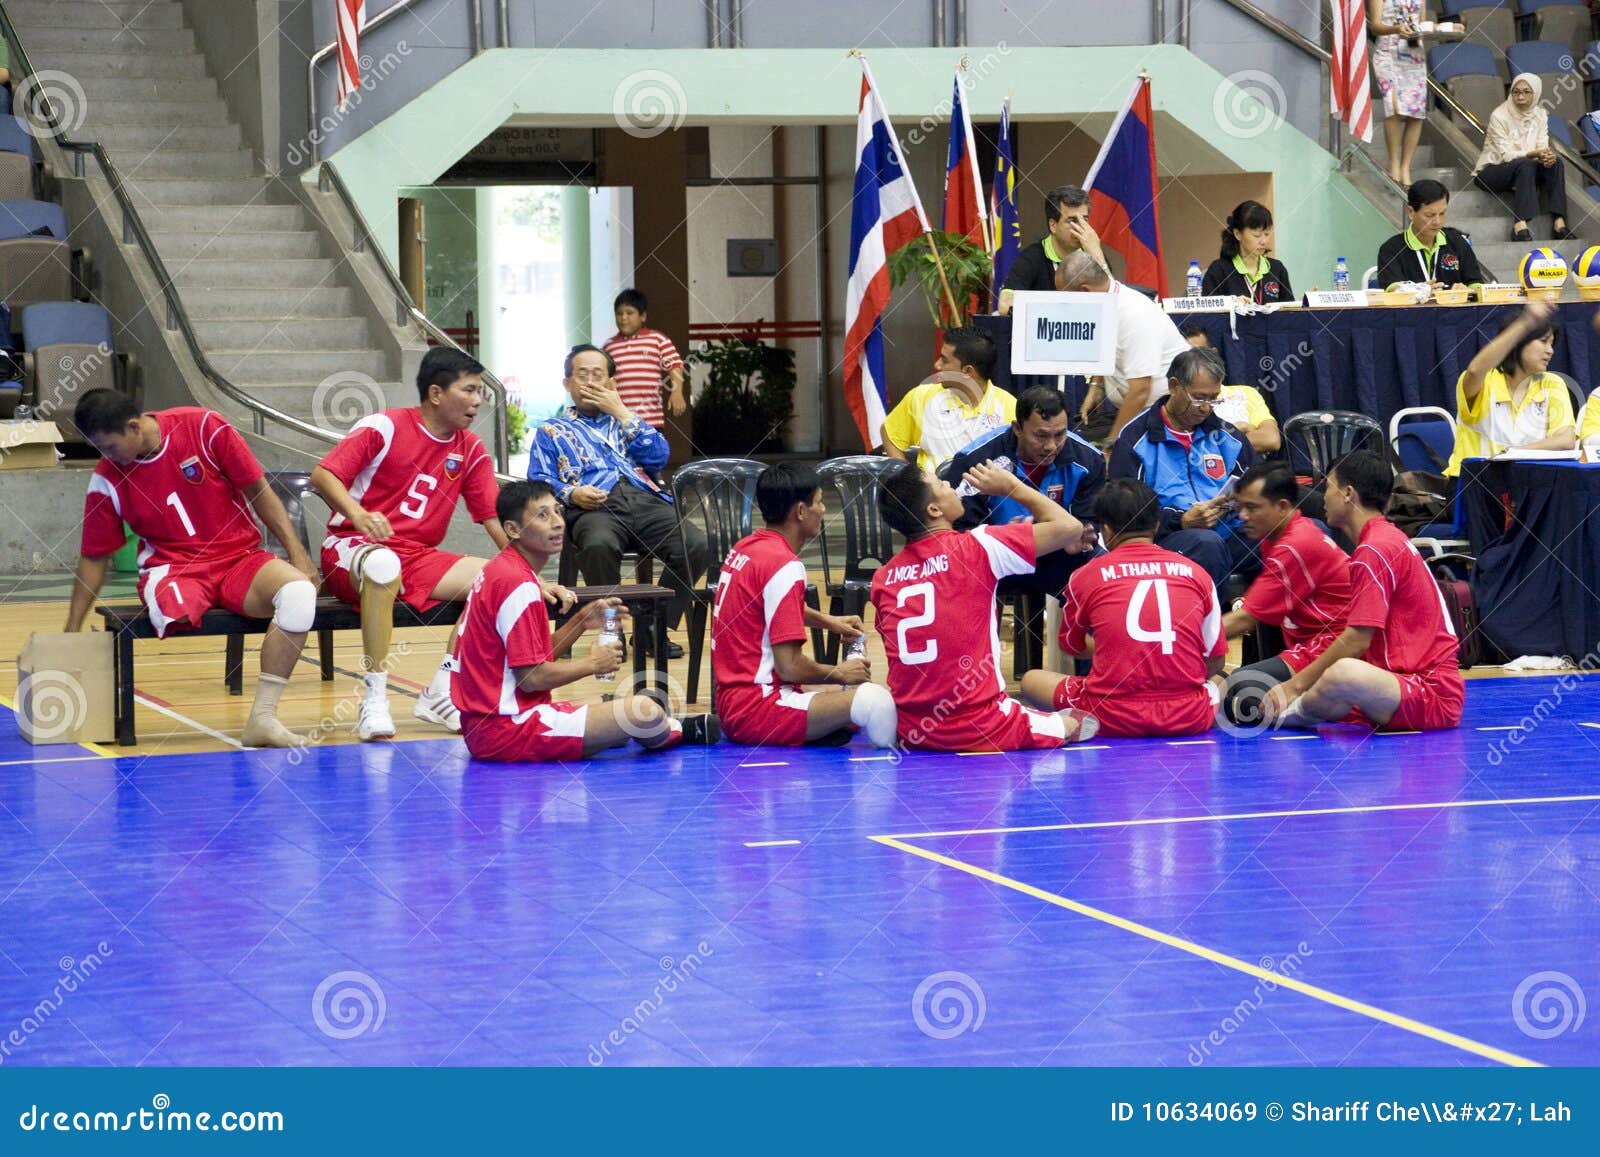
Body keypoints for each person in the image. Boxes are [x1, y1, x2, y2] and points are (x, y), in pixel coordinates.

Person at [65, 389, 318, 748]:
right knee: (175, 615)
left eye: (109, 447)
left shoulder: (204, 427)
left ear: (134, 427)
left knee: (298, 594)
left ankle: (263, 718)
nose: (106, 456)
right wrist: (72, 628)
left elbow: (258, 491)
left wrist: (299, 555)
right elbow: (94, 556)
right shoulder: (106, 479)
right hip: (172, 569)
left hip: (239, 558)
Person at [313, 348, 543, 741]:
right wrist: (359, 515)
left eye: (480, 392)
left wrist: (529, 577)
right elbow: (322, 475)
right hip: (351, 546)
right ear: (436, 393)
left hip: (417, 557)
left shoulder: (470, 449)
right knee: (382, 564)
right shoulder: (383, 426)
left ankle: (442, 690)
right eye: (469, 390)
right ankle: (375, 699)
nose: (476, 401)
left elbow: (493, 520)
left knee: (496, 580)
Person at [452, 480, 718, 762]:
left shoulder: (505, 570)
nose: (557, 523)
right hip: (509, 730)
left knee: (607, 706)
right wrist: (592, 665)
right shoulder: (518, 584)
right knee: (643, 709)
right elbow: (532, 678)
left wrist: (580, 621)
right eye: (542, 515)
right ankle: (677, 730)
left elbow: (533, 658)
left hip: (488, 727)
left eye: (557, 511)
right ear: (513, 529)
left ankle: (619, 732)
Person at [870, 460, 1099, 752]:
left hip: (913, 730)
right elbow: (1070, 527)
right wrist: (1011, 486)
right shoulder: (978, 546)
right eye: (942, 485)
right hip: (980, 726)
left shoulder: (883, 577)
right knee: (1081, 723)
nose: (951, 487)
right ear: (934, 510)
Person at [527, 345, 710, 658]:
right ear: (567, 384)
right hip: (594, 506)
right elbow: (539, 482)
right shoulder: (551, 430)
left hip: (643, 499)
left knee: (696, 544)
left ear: (611, 383)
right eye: (581, 375)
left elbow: (659, 456)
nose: (590, 382)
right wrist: (572, 494)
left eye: (598, 375)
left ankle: (652, 628)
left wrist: (623, 412)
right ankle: (611, 628)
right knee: (598, 545)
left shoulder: (627, 422)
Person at [1262, 452, 1464, 732]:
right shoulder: (1386, 537)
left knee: (1344, 673)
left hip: (1429, 692)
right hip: (1406, 683)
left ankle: (1287, 711)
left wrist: (1293, 686)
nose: (1323, 497)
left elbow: (1357, 639)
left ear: (1347, 493)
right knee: (1338, 675)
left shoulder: (1375, 548)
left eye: (1328, 487)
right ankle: (1293, 710)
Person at [710, 463, 898, 748]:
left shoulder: (745, 548)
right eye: (819, 502)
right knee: (876, 701)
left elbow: (767, 607)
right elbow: (790, 668)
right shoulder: (784, 564)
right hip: (757, 708)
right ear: (800, 511)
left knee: (844, 702)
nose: (823, 510)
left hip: (732, 702)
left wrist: (829, 622)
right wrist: (839, 673)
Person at [1020, 479, 1225, 738]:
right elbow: (1216, 659)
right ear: (1157, 523)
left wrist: (1118, 651)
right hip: (1188, 716)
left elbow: (1072, 646)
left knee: (1031, 680)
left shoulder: (1085, 575)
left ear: (1106, 528)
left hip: (1109, 716)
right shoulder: (1198, 574)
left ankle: (1079, 718)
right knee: (1219, 681)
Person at [1107, 347, 1260, 588]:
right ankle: (1211, 626)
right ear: (1174, 386)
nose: (1206, 407)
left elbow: (1259, 483)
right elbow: (1126, 512)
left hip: (1229, 534)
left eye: (1214, 398)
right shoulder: (1135, 439)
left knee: (1293, 535)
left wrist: (1245, 504)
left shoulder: (1226, 435)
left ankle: (1283, 624)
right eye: (1199, 397)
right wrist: (1182, 520)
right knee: (1207, 544)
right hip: (1167, 540)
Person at [1215, 464, 1351, 726]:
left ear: (1282, 506)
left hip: (1331, 647)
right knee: (1233, 689)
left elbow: (1244, 619)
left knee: (1242, 695)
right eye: (1240, 507)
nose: (1242, 516)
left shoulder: (1295, 544)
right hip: (1308, 641)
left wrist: (1178, 645)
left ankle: (1325, 702)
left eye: (1252, 508)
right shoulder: (1278, 535)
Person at [940, 385, 1104, 598]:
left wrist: (1084, 535)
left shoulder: (1089, 460)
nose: (1051, 446)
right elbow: (959, 531)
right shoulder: (975, 459)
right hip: (994, 558)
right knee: (956, 574)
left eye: (1060, 434)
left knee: (1102, 580)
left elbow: (1088, 520)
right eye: (1041, 436)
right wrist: (1005, 536)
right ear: (1017, 428)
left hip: (1060, 554)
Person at [1055, 252, 1191, 444]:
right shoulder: (1105, 298)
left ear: (1084, 291)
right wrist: (1096, 386)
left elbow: (1141, 390)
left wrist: (1113, 444)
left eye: (1065, 297)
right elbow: (1112, 348)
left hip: (1167, 417)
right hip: (1137, 410)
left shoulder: (1133, 314)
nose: (1063, 305)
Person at [1445, 300, 1576, 476]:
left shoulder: (1553, 383)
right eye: (1544, 342)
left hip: (1526, 482)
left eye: (1552, 344)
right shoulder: (1485, 382)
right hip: (1474, 484)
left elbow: (1566, 440)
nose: (1550, 351)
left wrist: (1511, 454)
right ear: (1518, 343)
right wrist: (1525, 322)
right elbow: (1475, 370)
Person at [880, 325, 1015, 473]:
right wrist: (910, 479)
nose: (937, 365)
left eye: (944, 360)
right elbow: (889, 435)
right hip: (930, 494)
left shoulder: (1010, 407)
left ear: (967, 371)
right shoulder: (921, 397)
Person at [1473, 75, 1569, 242]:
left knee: (1556, 163)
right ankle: (1519, 224)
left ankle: (1559, 222)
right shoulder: (1499, 115)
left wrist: (1546, 156)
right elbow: (1507, 155)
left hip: (1526, 169)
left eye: (1526, 92)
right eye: (1516, 92)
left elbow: (1541, 144)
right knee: (1526, 164)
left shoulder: (1540, 114)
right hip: (1492, 172)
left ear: (1536, 93)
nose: (1520, 97)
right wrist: (1533, 154)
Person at [995, 184, 1107, 312]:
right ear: (1053, 225)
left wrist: (1097, 255)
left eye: (1084, 220)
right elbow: (1005, 305)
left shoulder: (1093, 256)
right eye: (1072, 220)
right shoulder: (1031, 258)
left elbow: (1114, 302)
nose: (1080, 227)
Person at [1179, 325, 1281, 456]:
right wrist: (1238, 430)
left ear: (1213, 354)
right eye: (1185, 357)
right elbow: (1188, 450)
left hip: (1249, 474)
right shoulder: (1175, 400)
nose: (1194, 364)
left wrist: (1216, 443)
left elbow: (1270, 440)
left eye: (1199, 355)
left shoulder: (1246, 393)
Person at [603, 287, 688, 431]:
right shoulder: (609, 346)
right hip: (618, 422)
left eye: (629, 313)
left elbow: (674, 365)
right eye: (619, 313)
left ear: (643, 316)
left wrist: (677, 392)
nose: (623, 318)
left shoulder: (657, 339)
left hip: (650, 422)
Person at [1376, 179, 1484, 291]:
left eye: (1442, 213)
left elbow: (1476, 283)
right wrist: (1419, 291)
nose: (1437, 221)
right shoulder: (1391, 249)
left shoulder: (1457, 241)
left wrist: (1469, 290)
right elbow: (1392, 289)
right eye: (1429, 215)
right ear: (1411, 212)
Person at [1369, 0, 1428, 186]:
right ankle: (1393, 163)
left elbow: (1423, 24)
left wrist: (1443, 28)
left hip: (1414, 53)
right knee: (1394, 108)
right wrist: (1396, 29)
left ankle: (1405, 166)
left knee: (1416, 114)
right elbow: (1375, 26)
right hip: (1388, 53)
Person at [1200, 201, 1294, 304]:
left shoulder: (1278, 269)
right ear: (1237, 234)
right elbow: (1207, 315)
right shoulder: (1218, 270)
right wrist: (1231, 304)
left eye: (1267, 234)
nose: (1264, 241)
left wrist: (1304, 306)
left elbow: (1289, 314)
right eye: (1257, 235)